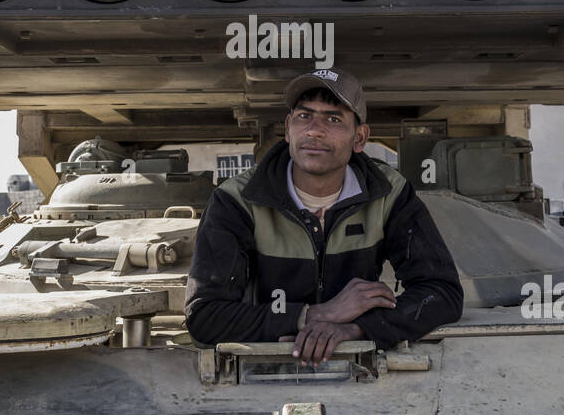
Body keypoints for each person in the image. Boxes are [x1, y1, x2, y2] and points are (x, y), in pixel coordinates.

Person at [185, 67, 463, 365]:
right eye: (304, 116)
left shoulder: (388, 194)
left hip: (358, 365)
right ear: (289, 127)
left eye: (333, 119)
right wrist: (316, 315)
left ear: (360, 137)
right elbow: (205, 316)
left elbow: (442, 292)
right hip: (262, 364)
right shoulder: (237, 200)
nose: (314, 130)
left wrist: (356, 330)